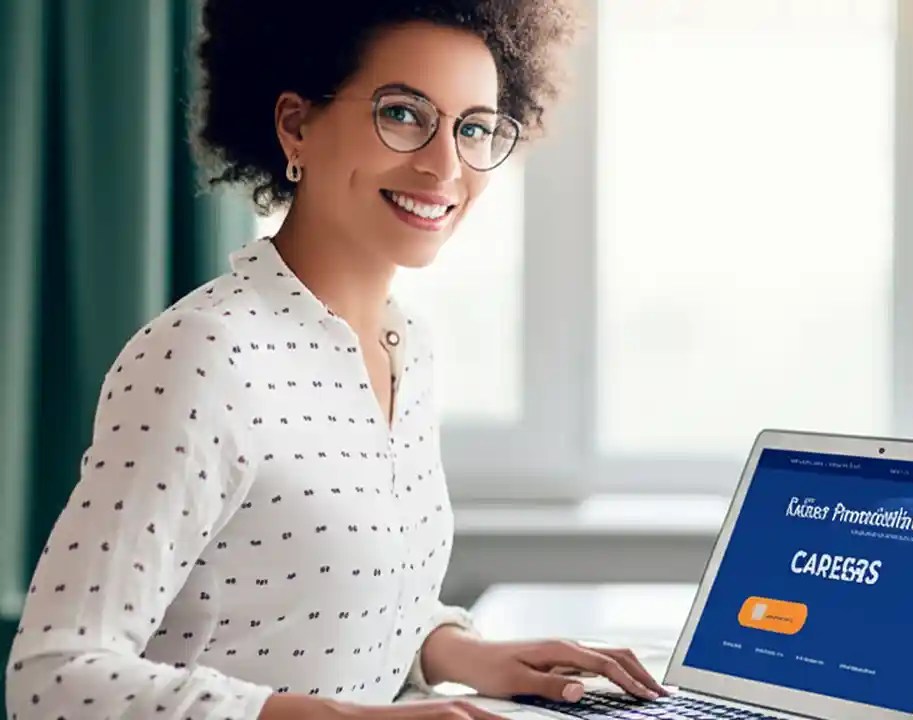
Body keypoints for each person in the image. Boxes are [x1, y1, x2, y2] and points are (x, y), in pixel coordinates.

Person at [4, 2, 666, 720]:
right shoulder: (205, 355)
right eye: (404, 114)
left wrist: (459, 651)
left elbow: (316, 611)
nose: (445, 165)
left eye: (472, 127)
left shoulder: (407, 347)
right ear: (295, 125)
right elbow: (53, 680)